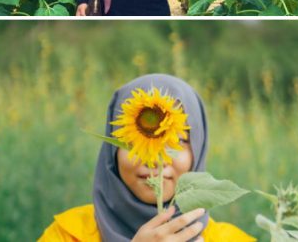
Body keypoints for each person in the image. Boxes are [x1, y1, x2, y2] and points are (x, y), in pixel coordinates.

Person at [39, 74, 254, 241]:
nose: (154, 157)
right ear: (111, 152)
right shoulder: (68, 235)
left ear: (197, 151)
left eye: (176, 140)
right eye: (132, 142)